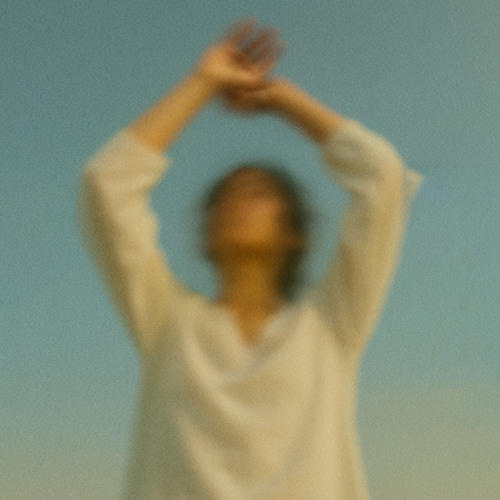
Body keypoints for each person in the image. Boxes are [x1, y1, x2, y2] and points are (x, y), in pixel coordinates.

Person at [80, 19, 422, 500]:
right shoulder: (168, 322)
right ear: (207, 238)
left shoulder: (330, 323)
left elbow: (383, 179)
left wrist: (280, 99)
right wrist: (203, 82)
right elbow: (106, 184)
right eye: (224, 199)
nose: (238, 201)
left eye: (259, 192)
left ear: (295, 236)